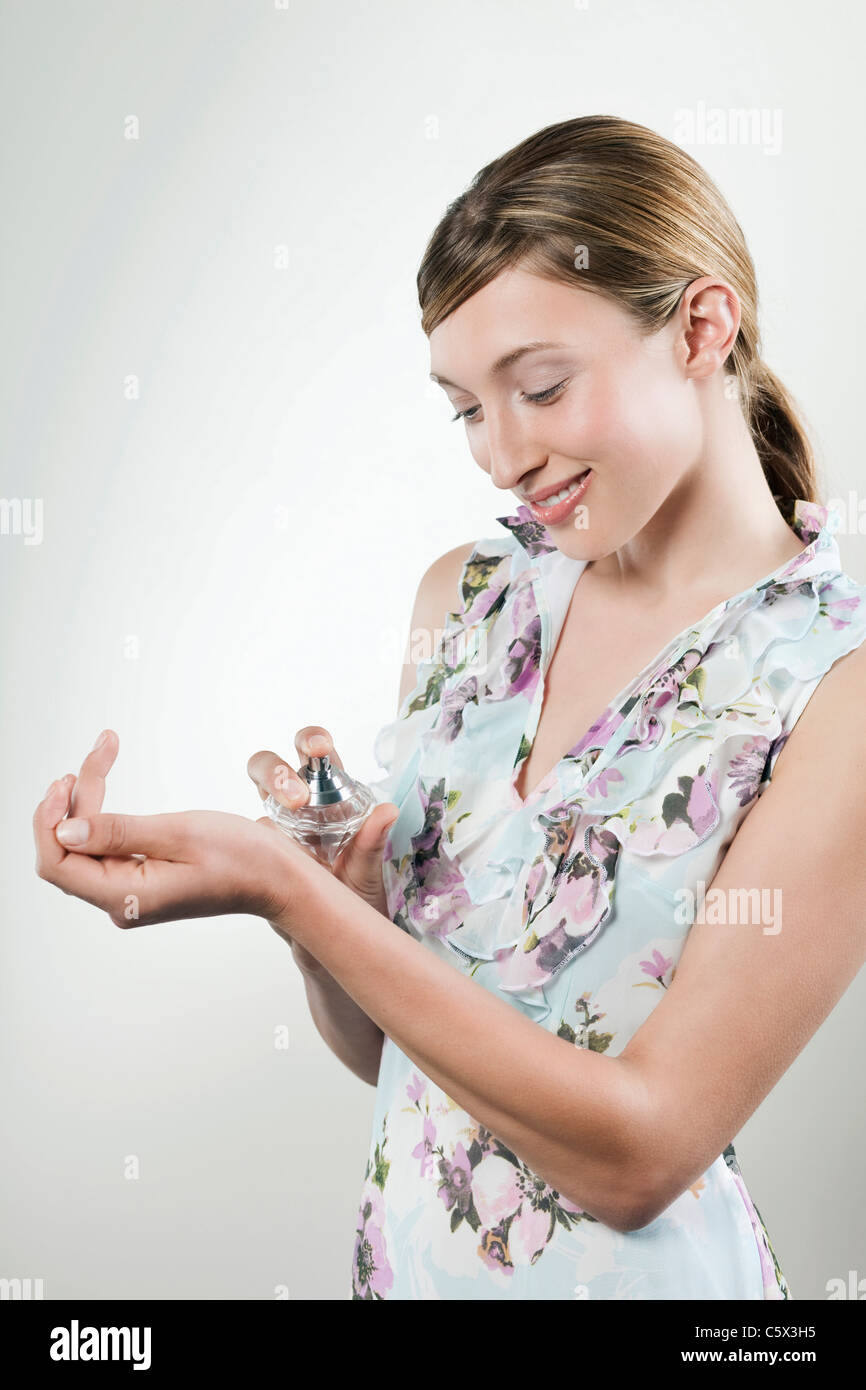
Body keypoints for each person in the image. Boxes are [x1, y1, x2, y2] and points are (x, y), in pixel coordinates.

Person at [33, 115, 866, 1301]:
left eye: (538, 386)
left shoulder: (835, 688)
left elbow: (638, 1151)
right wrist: (331, 908)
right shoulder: (469, 601)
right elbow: (394, 1058)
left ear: (698, 325)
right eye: (466, 408)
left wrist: (278, 892)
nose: (499, 455)